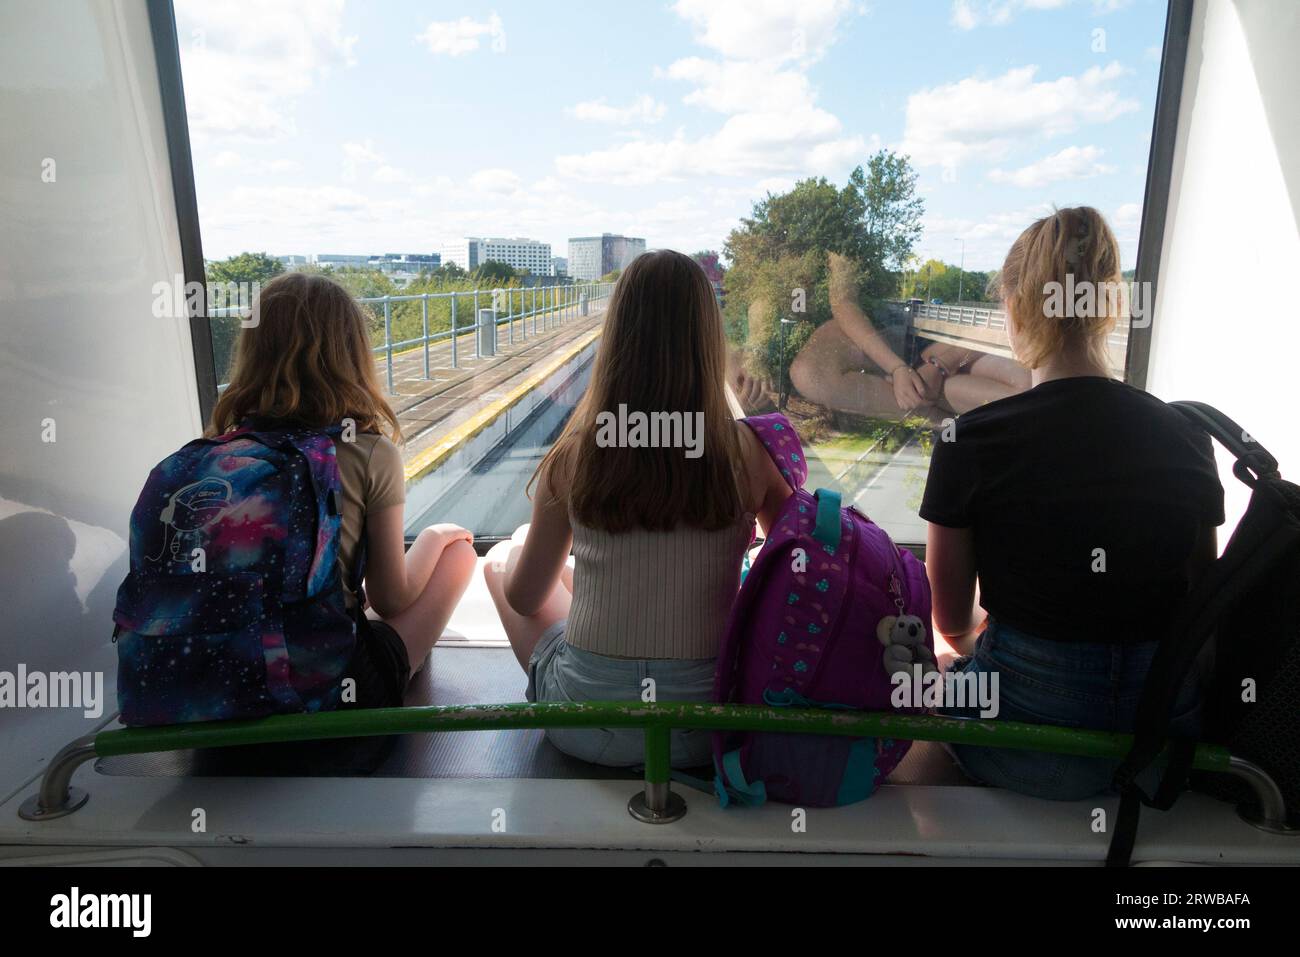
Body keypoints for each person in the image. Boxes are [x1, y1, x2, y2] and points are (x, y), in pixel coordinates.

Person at [920, 207, 1225, 799]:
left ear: (1014, 306)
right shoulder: (1187, 433)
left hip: (1020, 751)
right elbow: (1199, 605)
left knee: (927, 682)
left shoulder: (971, 439)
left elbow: (952, 624)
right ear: (1112, 302)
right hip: (1158, 755)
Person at [483, 250, 793, 767]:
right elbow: (790, 566)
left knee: (501, 564)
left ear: (618, 336)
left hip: (585, 724)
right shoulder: (747, 452)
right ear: (707, 338)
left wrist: (513, 562)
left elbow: (524, 598)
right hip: (707, 728)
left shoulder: (577, 453)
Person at [208, 272, 476, 715]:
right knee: (459, 555)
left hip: (209, 692)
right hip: (325, 693)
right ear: (353, 355)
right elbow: (392, 597)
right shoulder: (367, 451)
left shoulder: (217, 450)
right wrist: (434, 537)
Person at [788, 251, 1029, 420]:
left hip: (929, 344)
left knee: (1029, 391)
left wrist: (935, 365)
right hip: (920, 351)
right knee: (1026, 397)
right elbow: (842, 303)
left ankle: (924, 399)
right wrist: (906, 371)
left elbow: (842, 302)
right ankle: (924, 402)